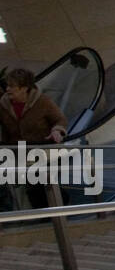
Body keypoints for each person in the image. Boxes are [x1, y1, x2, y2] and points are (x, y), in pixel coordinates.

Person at [1, 68, 70, 211]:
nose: (8, 89)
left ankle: (57, 209)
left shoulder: (42, 102)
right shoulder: (3, 104)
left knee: (39, 183)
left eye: (12, 86)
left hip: (41, 151)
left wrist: (57, 130)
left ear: (24, 88)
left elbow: (60, 119)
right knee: (23, 184)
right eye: (7, 85)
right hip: (16, 152)